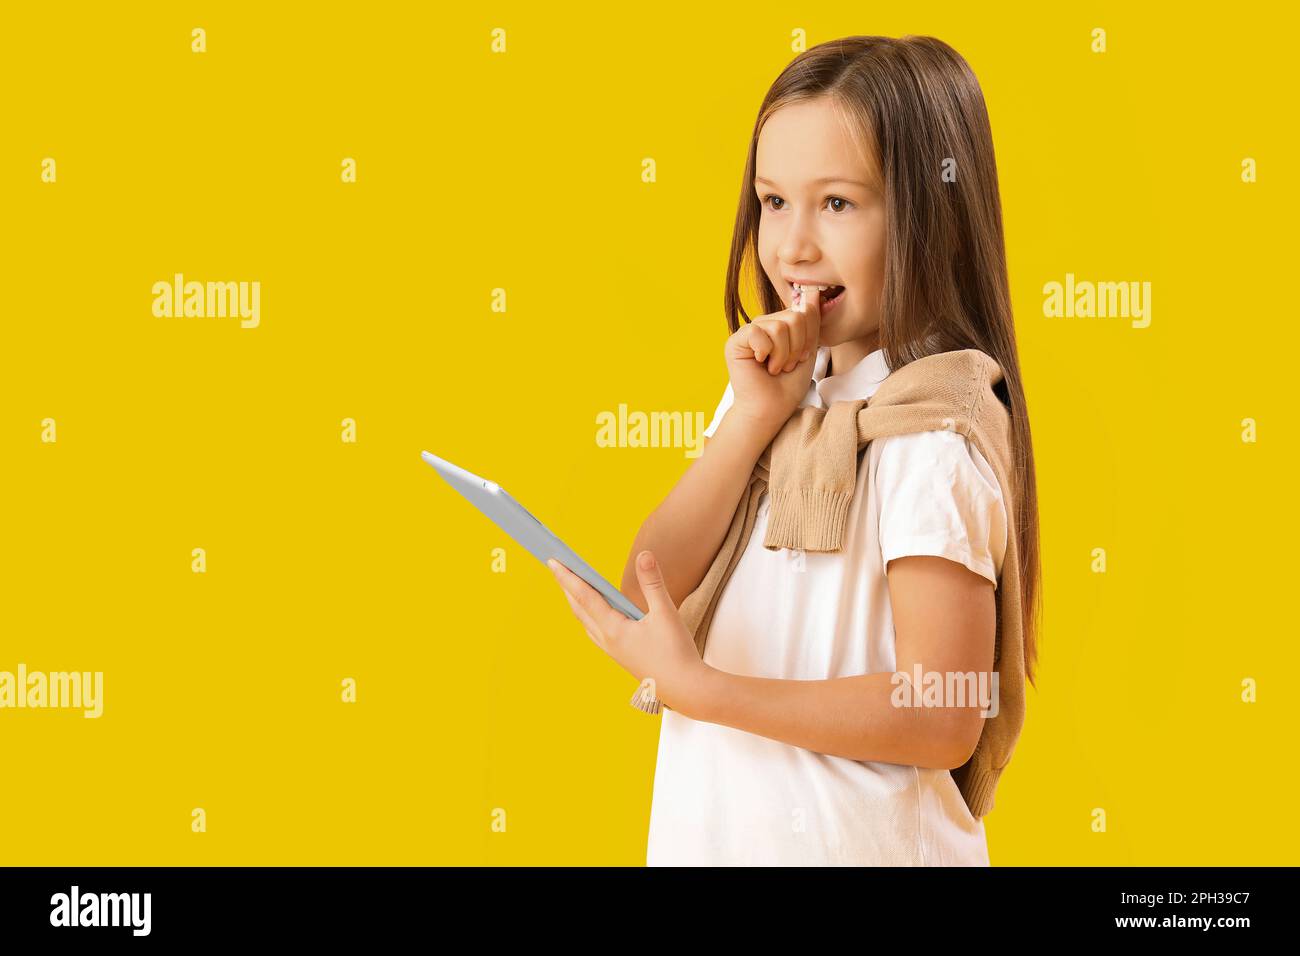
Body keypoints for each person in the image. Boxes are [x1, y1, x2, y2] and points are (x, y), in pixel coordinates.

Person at [548, 35, 1041, 866]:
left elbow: (943, 713)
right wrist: (750, 422)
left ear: (933, 215)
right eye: (773, 202)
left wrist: (706, 692)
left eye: (837, 205)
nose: (793, 247)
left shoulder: (930, 430)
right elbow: (649, 591)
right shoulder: (772, 396)